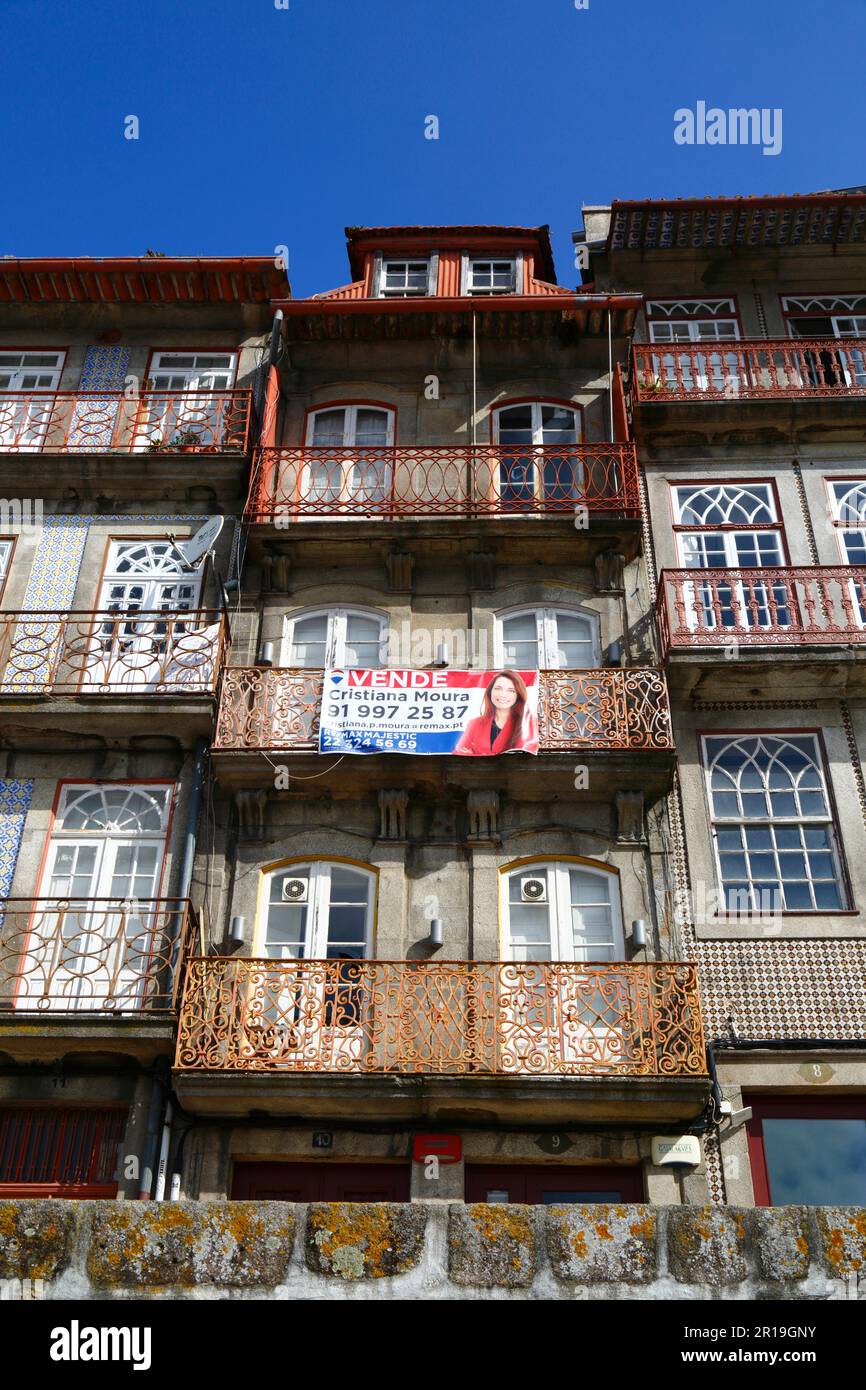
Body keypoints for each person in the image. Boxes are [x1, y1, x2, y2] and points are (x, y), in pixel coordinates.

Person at [454, 670, 537, 756]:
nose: (503, 695)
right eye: (498, 688)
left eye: (511, 690)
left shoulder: (527, 721)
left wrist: (476, 754)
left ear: (518, 695)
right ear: (490, 692)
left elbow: (524, 755)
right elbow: (458, 753)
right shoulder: (475, 723)